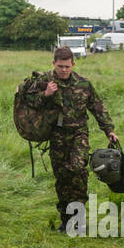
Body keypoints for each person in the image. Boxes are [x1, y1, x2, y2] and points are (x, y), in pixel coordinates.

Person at [40, 45, 118, 233]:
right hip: (57, 136)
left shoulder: (83, 84)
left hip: (79, 135)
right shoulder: (44, 82)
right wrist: (45, 94)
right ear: (54, 64)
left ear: (73, 64)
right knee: (62, 177)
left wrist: (109, 130)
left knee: (77, 171)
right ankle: (66, 220)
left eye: (67, 66)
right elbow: (29, 104)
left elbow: (97, 107)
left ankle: (79, 219)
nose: (64, 70)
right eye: (60, 66)